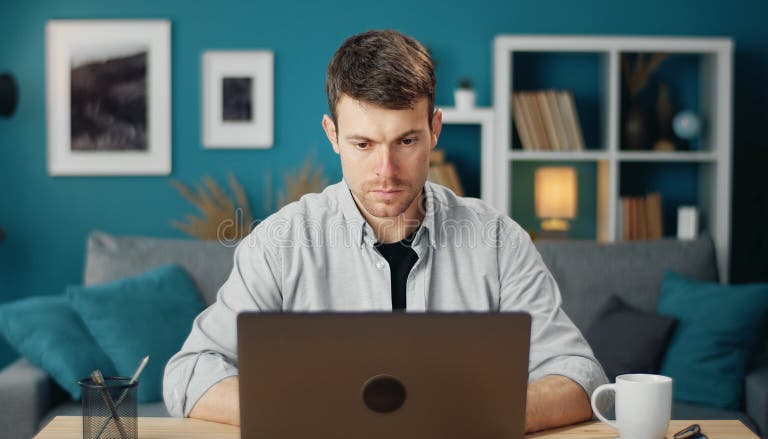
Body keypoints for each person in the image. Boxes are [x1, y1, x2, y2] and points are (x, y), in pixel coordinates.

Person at [163, 29, 607, 433]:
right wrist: (317, 411)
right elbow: (189, 374)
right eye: (363, 144)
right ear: (332, 135)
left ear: (434, 130)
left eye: (406, 141)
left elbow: (579, 375)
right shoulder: (279, 243)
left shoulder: (497, 241)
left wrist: (470, 414)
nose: (386, 171)